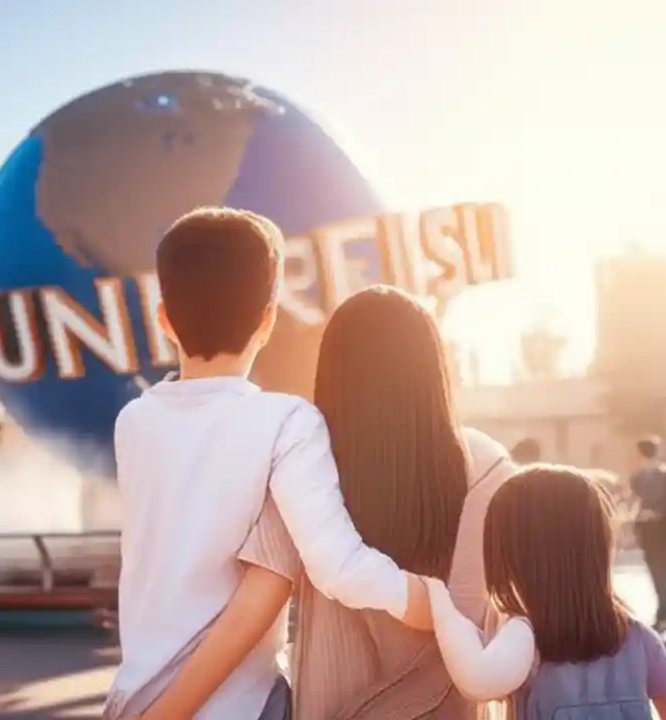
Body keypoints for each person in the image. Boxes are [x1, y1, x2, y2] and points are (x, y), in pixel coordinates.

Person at [98, 208, 430, 720]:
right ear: (270, 318)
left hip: (133, 696)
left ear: (163, 319)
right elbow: (338, 567)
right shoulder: (287, 422)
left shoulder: (133, 421)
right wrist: (436, 607)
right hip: (239, 705)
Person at [144, 285, 517, 719]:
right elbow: (474, 625)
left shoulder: (302, 465)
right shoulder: (488, 469)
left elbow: (250, 611)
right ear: (433, 369)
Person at [421, 465, 666, 719]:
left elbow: (474, 678)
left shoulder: (522, 641)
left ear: (514, 557)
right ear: (597, 547)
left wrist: (435, 599)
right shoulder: (639, 638)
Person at [629, 435, 666, 631]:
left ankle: (665, 611)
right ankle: (665, 610)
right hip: (657, 529)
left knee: (659, 570)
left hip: (657, 529)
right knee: (660, 571)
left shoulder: (647, 477)